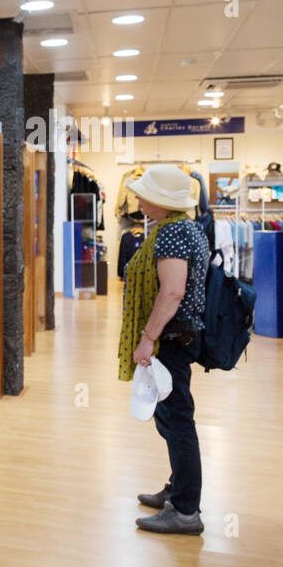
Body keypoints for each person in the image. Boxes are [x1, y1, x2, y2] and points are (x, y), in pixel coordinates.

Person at [117, 164, 210, 535]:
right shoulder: (186, 229)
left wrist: (147, 337)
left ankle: (186, 510)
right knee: (171, 418)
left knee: (178, 420)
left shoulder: (171, 234)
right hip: (179, 336)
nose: (138, 198)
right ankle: (177, 491)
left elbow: (172, 292)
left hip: (171, 339)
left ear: (161, 201)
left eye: (144, 193)